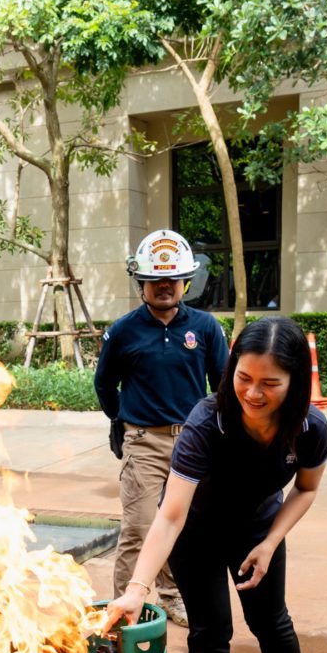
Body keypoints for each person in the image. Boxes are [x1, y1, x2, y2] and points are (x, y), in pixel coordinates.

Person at [104, 317, 327, 653]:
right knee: (211, 632)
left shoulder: (310, 429)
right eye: (243, 378)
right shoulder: (206, 424)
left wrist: (270, 543)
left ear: (294, 384)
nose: (253, 393)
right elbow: (170, 515)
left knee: (272, 621)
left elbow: (306, 489)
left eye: (270, 383)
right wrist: (136, 589)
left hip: (259, 528)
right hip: (198, 533)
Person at [95, 229, 230, 629]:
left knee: (183, 526)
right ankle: (124, 607)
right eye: (156, 280)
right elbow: (105, 383)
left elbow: (222, 384)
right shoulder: (123, 331)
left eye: (172, 280)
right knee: (138, 527)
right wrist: (120, 420)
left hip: (194, 443)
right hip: (144, 442)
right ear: (142, 283)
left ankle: (172, 597)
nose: (165, 287)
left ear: (184, 282)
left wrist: (220, 434)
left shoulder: (205, 328)